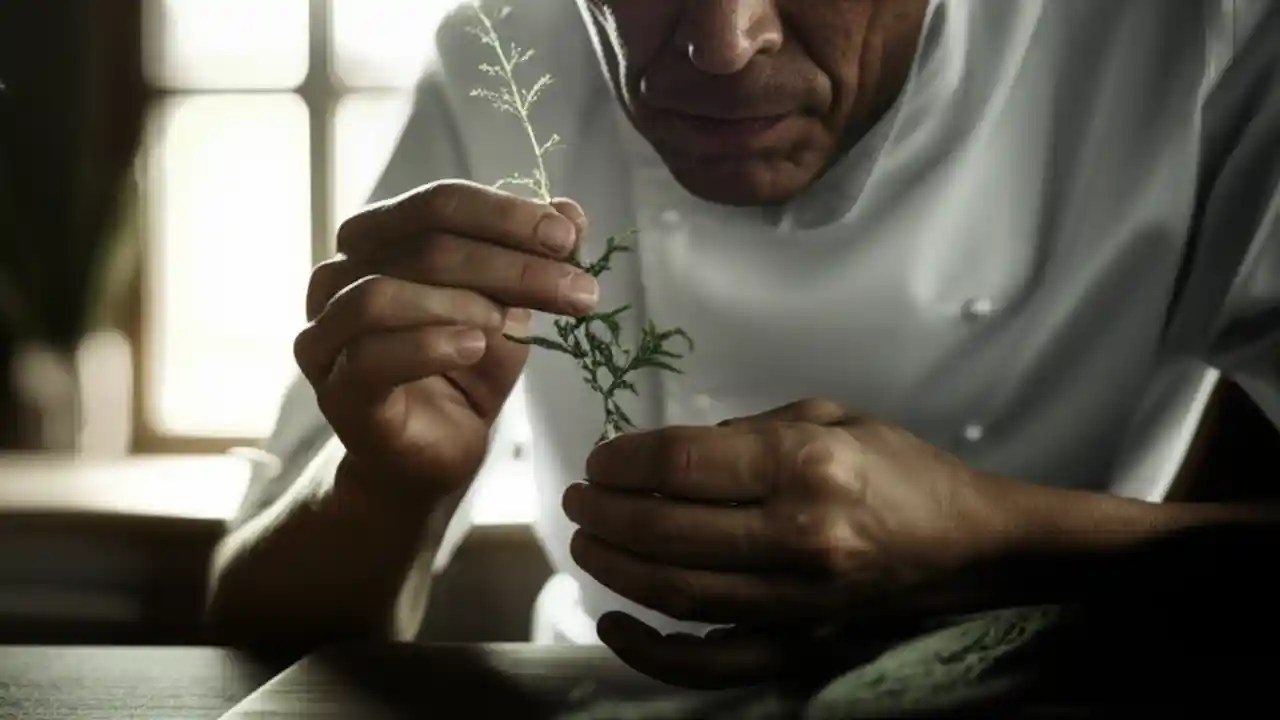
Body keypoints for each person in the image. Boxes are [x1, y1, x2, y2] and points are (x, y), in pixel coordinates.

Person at [207, 0, 1280, 688]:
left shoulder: (1196, 38)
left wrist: (988, 540)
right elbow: (249, 614)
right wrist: (385, 486)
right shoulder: (503, 56)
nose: (721, 45)